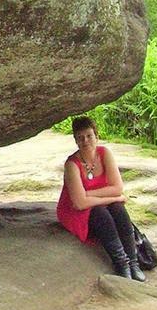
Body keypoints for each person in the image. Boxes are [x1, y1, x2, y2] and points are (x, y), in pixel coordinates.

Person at [56, 116, 145, 282]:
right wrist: (113, 197)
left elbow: (118, 187)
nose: (85, 141)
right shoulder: (72, 164)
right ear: (75, 141)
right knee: (101, 213)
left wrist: (90, 194)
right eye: (80, 137)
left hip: (94, 201)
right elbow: (79, 203)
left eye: (89, 136)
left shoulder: (105, 153)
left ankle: (133, 262)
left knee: (118, 209)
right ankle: (121, 263)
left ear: (97, 136)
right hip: (75, 211)